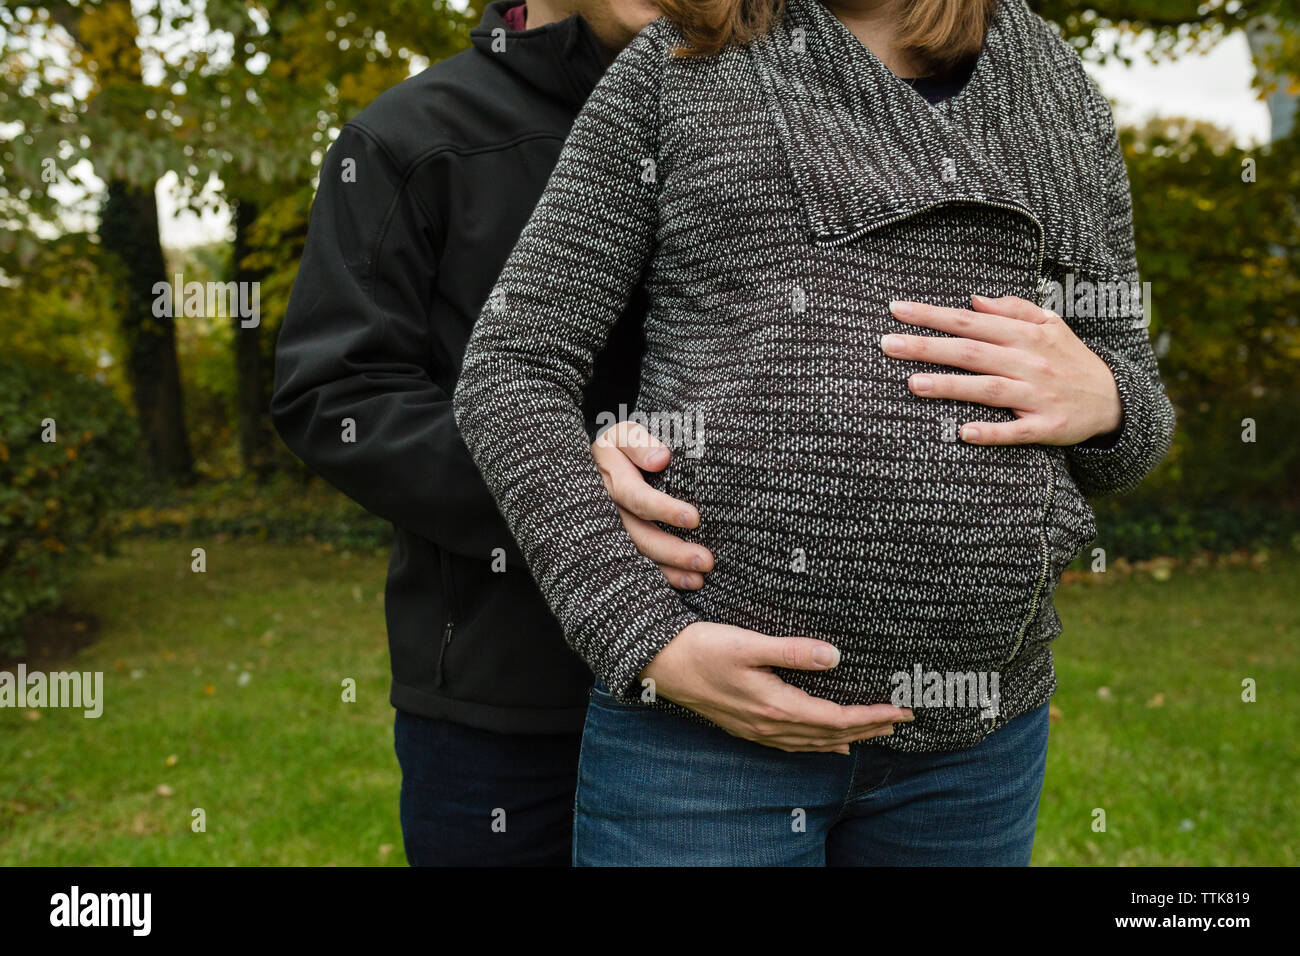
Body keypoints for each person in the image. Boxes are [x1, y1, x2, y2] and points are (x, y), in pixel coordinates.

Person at [453, 0, 1176, 865]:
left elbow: (1130, 396)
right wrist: (645, 638)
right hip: (703, 747)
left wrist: (1111, 403)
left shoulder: (1052, 86)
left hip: (974, 746)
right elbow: (512, 367)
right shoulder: (676, 68)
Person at [272, 0, 895, 867]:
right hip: (514, 698)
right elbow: (335, 392)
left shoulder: (800, 107)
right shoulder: (411, 136)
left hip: (753, 682)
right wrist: (569, 494)